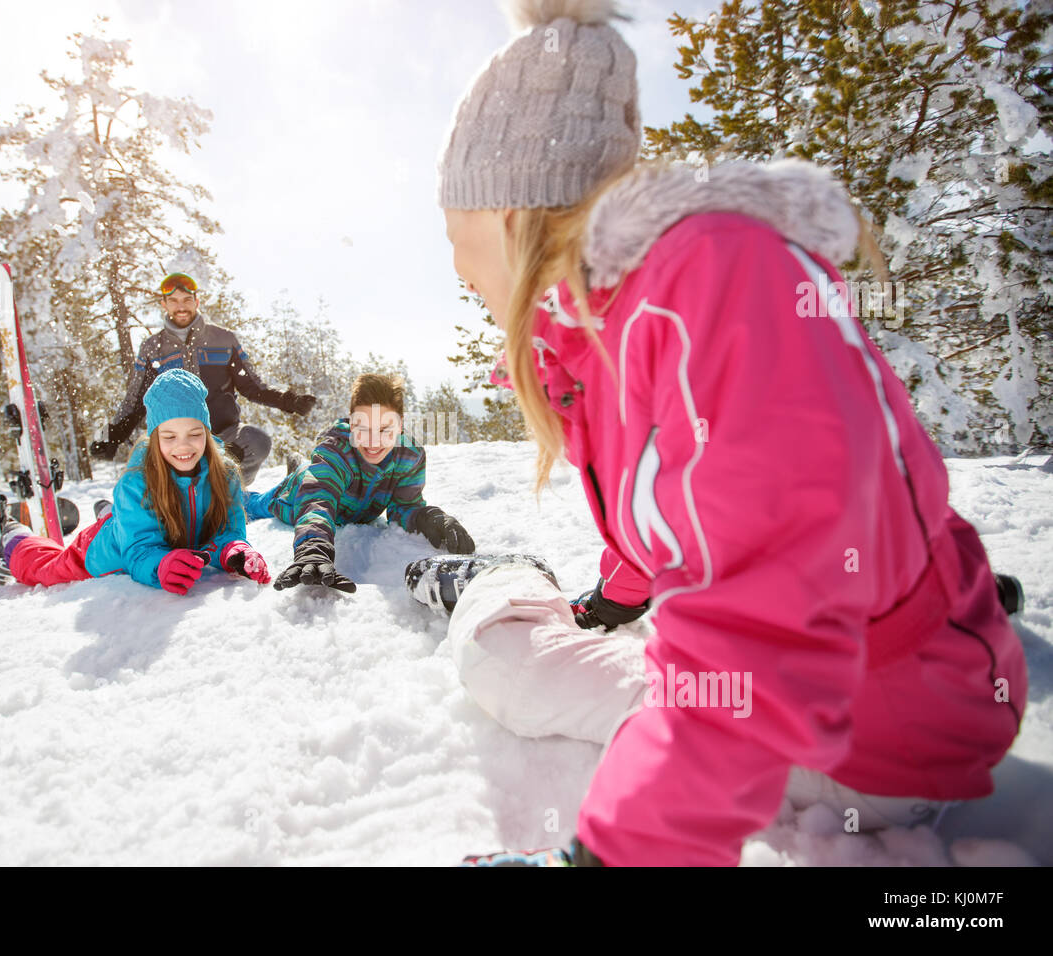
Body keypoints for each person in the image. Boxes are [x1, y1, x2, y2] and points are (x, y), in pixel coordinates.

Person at [431, 0, 1028, 866]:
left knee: (501, 660)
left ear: (511, 215)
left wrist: (608, 856)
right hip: (892, 693)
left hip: (865, 746)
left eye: (456, 236)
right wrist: (620, 597)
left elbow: (764, 629)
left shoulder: (705, 281)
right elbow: (690, 496)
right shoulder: (618, 322)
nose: (457, 270)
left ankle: (496, 584)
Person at [0, 369, 270, 591]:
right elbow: (138, 550)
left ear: (207, 433)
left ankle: (111, 512)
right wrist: (160, 564)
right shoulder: (137, 482)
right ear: (154, 438)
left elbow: (228, 530)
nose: (183, 446)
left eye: (194, 434)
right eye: (169, 436)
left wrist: (235, 551)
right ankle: (14, 541)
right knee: (47, 570)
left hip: (141, 526)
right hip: (111, 548)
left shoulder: (224, 474)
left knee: (132, 519)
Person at [244, 372, 475, 594]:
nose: (373, 442)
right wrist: (313, 547)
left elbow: (404, 507)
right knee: (256, 504)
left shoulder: (409, 456)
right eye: (363, 429)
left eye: (384, 429)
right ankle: (291, 474)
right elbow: (317, 501)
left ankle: (300, 465)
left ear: (400, 425)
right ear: (352, 424)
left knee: (312, 471)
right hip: (296, 496)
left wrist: (428, 518)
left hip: (341, 496)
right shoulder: (336, 450)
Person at [90, 273, 317, 486]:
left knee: (257, 441)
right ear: (164, 304)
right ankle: (172, 501)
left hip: (223, 437)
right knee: (142, 462)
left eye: (187, 300)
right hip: (178, 440)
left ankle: (230, 497)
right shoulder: (152, 348)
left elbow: (252, 386)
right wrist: (111, 435)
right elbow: (136, 400)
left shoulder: (223, 339)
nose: (181, 306)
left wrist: (289, 400)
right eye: (174, 301)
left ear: (197, 302)